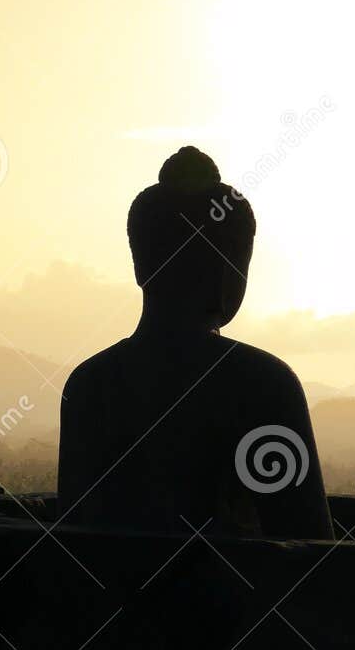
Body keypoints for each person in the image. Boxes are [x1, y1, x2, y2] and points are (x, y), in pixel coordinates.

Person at [58, 147, 332, 538]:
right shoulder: (262, 382)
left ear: (140, 265)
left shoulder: (88, 383)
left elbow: (72, 537)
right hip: (233, 596)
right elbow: (310, 547)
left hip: (109, 596)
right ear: (228, 268)